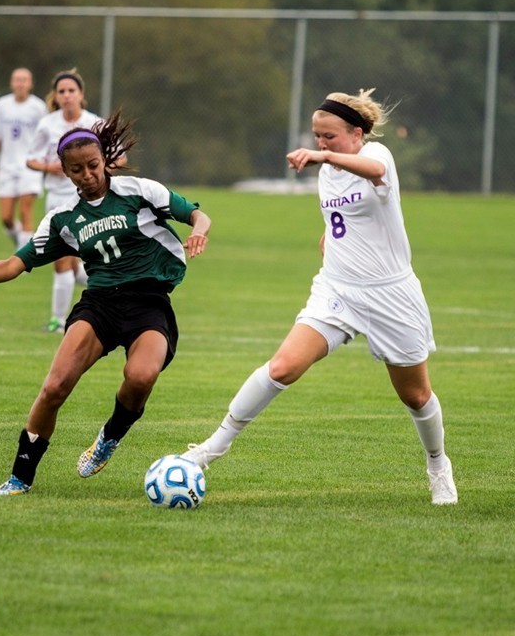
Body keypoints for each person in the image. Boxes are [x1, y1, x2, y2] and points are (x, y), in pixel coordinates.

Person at [183, 89, 458, 505]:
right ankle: (209, 449)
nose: (321, 144)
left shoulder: (379, 158)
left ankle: (438, 465)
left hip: (391, 294)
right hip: (337, 290)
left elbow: (367, 171)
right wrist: (329, 239)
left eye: (329, 136)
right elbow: (340, 221)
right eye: (317, 137)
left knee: (416, 396)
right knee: (282, 367)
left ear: (357, 133)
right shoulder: (327, 173)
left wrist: (325, 157)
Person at [0, 110, 212, 496]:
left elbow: (197, 215)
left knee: (141, 377)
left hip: (148, 302)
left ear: (104, 160)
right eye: (77, 170)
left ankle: (110, 436)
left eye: (93, 166)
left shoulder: (139, 191)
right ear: (65, 172)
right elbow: (15, 263)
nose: (87, 175)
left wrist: (199, 233)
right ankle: (20, 476)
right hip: (100, 304)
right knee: (55, 387)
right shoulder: (62, 219)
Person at [27, 69, 104, 333]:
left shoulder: (95, 123)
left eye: (72, 91)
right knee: (63, 260)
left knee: (87, 261)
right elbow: (31, 159)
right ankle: (58, 321)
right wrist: (51, 168)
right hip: (58, 200)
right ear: (56, 97)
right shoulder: (47, 124)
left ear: (81, 95)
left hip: (90, 200)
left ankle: (109, 291)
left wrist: (96, 171)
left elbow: (119, 158)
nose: (67, 95)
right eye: (62, 91)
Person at [0, 67, 48, 248]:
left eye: (24, 80)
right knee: (6, 218)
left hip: (30, 166)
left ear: (31, 84)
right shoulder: (1, 105)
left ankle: (24, 255)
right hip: (7, 166)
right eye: (17, 79)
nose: (20, 83)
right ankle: (19, 239)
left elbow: (46, 136)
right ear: (12, 83)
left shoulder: (38, 107)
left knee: (26, 209)